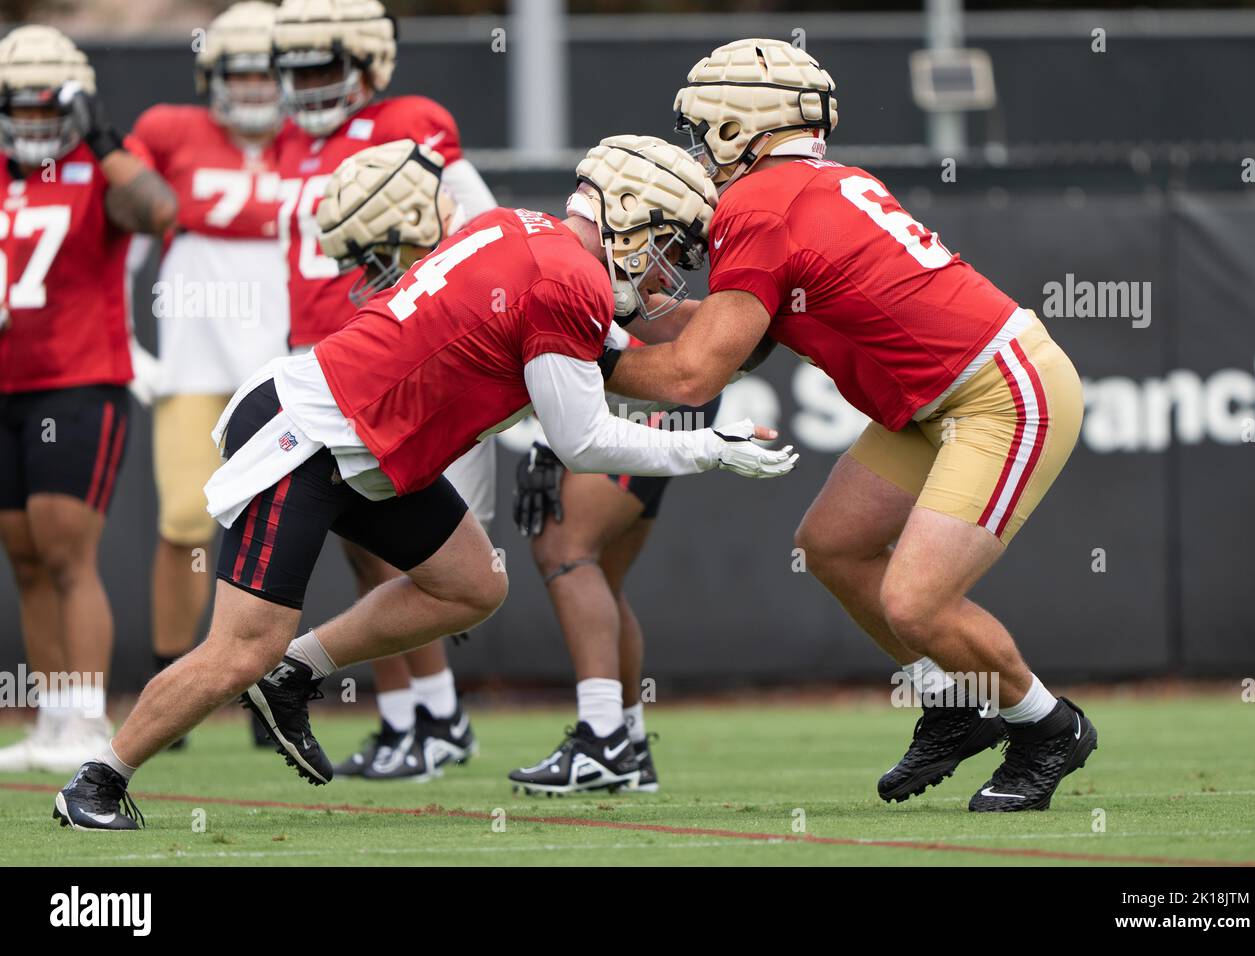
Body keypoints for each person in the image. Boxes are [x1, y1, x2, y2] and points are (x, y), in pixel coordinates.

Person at [53, 134, 798, 830]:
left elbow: (610, 366)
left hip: (367, 442)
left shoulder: (525, 231)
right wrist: (710, 449)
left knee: (472, 582)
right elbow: (583, 440)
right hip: (311, 435)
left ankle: (293, 675)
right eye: (669, 246)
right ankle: (98, 780)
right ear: (631, 218)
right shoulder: (565, 277)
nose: (669, 271)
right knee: (240, 645)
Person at [605, 38, 1096, 812]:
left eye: (704, 130)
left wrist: (581, 356)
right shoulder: (810, 185)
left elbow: (698, 371)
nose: (698, 149)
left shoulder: (756, 205)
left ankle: (1047, 726)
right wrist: (627, 319)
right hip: (937, 398)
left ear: (741, 127)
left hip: (1000, 391)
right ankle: (956, 699)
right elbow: (738, 336)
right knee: (832, 546)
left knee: (916, 601)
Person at [272, 0, 501, 775]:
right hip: (328, 362)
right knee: (367, 555)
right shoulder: (294, 145)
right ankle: (408, 717)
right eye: (294, 69)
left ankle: (437, 719)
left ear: (369, 60)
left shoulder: (410, 119)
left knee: (415, 557)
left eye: (322, 66)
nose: (305, 86)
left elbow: (479, 225)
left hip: (394, 365)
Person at [0, 26, 177, 773]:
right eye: (20, 111)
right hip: (6, 382)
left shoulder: (100, 167)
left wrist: (104, 140)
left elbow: (160, 210)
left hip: (78, 379)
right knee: (26, 557)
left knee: (67, 550)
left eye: (50, 112)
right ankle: (52, 720)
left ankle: (87, 717)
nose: (34, 127)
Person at [129, 3, 290, 749]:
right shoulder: (169, 131)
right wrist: (128, 341)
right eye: (243, 71)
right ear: (212, 76)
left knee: (286, 523)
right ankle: (173, 685)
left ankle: (265, 683)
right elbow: (117, 224)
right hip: (195, 361)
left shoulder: (315, 142)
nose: (258, 87)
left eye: (271, 70)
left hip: (289, 365)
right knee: (184, 525)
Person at [508, 358, 722, 795]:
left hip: (649, 389)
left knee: (564, 550)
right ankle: (629, 745)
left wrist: (551, 443)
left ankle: (603, 740)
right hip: (653, 389)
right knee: (599, 573)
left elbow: (597, 332)